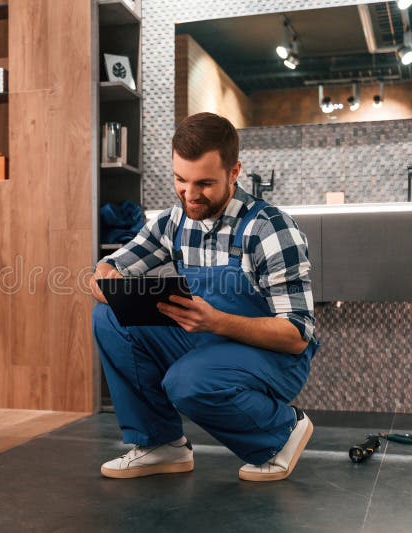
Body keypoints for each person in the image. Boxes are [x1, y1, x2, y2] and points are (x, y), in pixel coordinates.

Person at [90, 112, 320, 482]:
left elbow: (296, 336)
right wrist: (106, 277)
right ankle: (160, 444)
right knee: (109, 317)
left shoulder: (269, 229)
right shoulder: (175, 221)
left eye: (205, 183)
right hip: (205, 342)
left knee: (186, 381)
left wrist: (216, 321)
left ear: (234, 172)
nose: (190, 194)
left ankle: (283, 432)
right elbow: (112, 265)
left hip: (273, 358)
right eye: (180, 180)